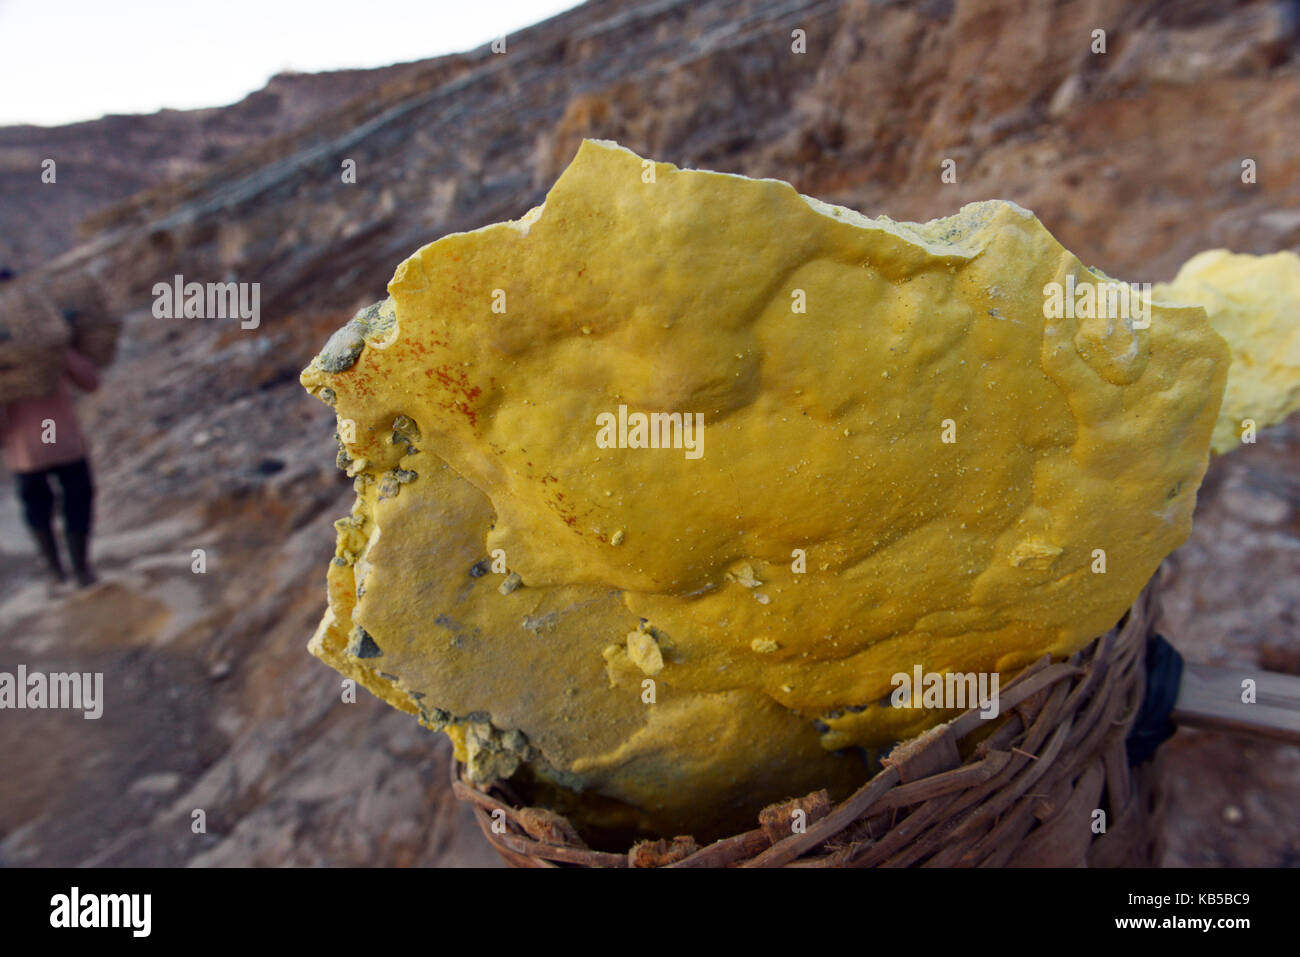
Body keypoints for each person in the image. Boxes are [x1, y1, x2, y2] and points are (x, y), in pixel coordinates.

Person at [0, 269, 101, 589]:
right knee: (79, 498)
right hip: (63, 440)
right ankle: (81, 568)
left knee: (36, 507)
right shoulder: (48, 338)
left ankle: (56, 572)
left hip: (24, 450)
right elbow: (89, 380)